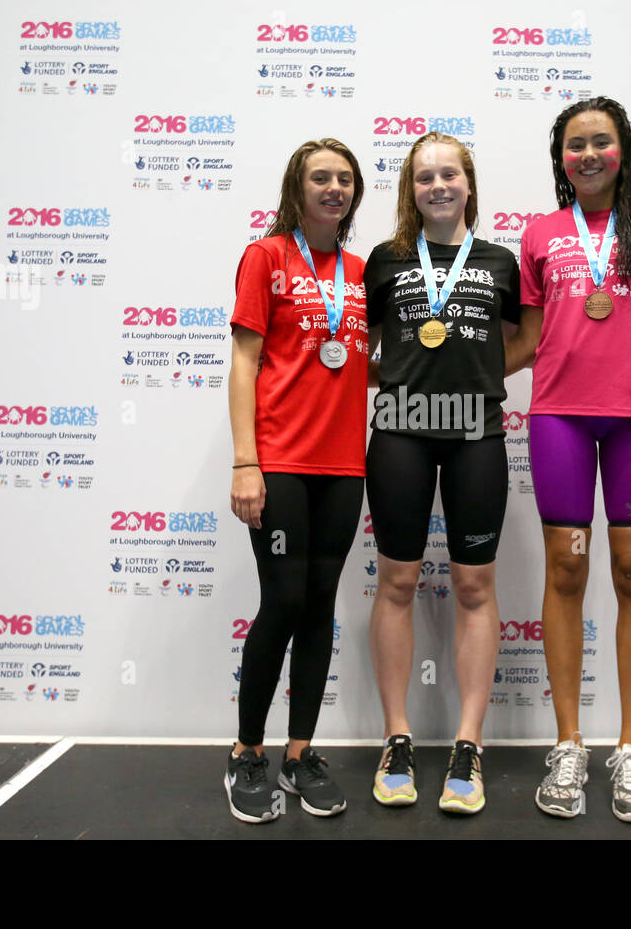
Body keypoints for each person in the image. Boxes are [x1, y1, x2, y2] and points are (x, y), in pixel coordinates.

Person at [508, 97, 631, 822]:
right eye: (574, 145)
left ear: (623, 148)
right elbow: (528, 339)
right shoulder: (541, 233)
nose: (587, 154)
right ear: (560, 159)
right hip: (560, 416)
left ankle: (630, 747)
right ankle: (569, 743)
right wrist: (447, 369)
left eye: (600, 142)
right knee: (566, 568)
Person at [363, 131, 522, 814]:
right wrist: (399, 380)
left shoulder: (500, 261)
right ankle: (397, 738)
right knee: (396, 580)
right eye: (424, 177)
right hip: (399, 431)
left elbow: (523, 344)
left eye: (448, 174)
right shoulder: (384, 261)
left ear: (468, 184)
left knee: (474, 584)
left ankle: (468, 743)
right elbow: (361, 345)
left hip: (476, 434)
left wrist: (476, 379)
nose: (437, 185)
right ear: (410, 190)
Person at [225, 138, 368, 823]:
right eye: (321, 177)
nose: (333, 188)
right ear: (297, 186)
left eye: (343, 178)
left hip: (345, 467)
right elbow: (245, 364)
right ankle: (246, 751)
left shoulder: (362, 271)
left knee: (318, 606)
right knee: (281, 601)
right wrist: (245, 460)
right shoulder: (266, 257)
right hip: (279, 461)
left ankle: (298, 754)